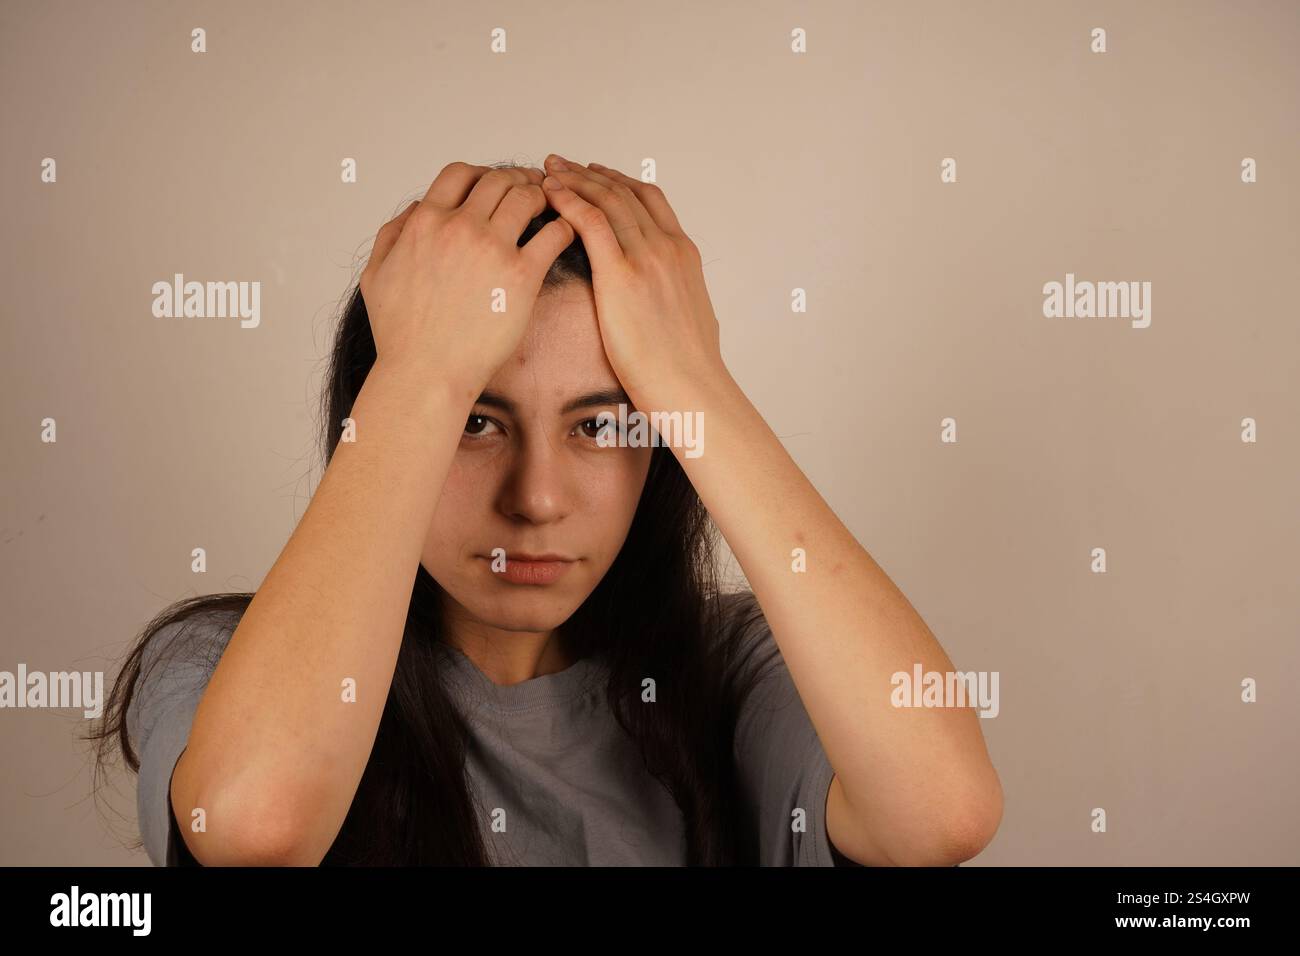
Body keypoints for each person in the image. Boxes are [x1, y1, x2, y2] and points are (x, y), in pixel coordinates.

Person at [89, 156, 1003, 866]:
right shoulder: (221, 665)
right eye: (475, 420)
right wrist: (420, 371)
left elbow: (944, 813)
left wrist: (692, 378)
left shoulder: (736, 673)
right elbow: (255, 829)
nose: (535, 499)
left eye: (599, 425)